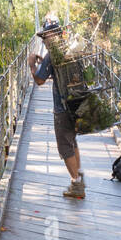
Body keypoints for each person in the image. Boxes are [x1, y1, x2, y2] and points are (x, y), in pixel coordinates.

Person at [29, 15, 85, 200]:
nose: (44, 41)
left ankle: (76, 185)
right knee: (72, 140)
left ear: (50, 36)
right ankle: (79, 177)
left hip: (62, 109)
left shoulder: (52, 55)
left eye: (45, 37)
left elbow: (39, 80)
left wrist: (32, 65)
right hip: (79, 104)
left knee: (64, 147)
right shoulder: (72, 49)